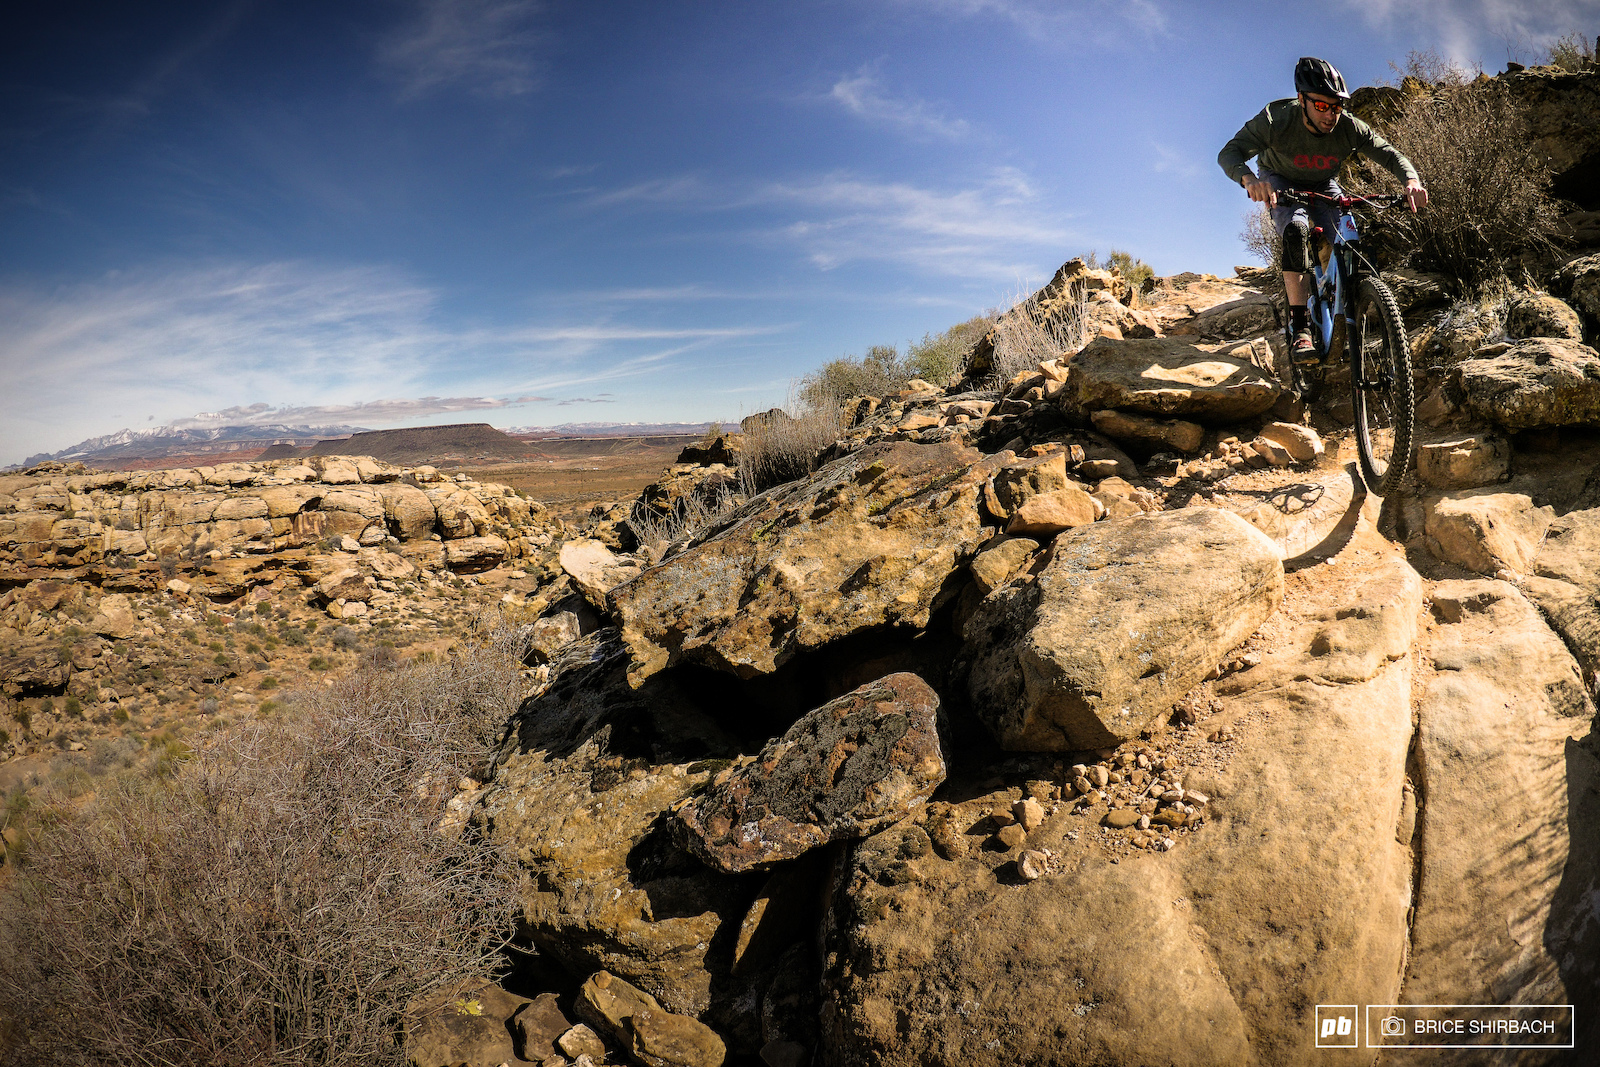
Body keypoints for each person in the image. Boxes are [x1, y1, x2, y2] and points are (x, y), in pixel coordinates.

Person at [1218, 57, 1428, 360]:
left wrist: (1411, 180)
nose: (1330, 114)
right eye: (1321, 106)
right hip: (1280, 180)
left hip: (1322, 183)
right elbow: (1230, 152)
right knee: (1296, 230)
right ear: (1301, 99)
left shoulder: (1348, 128)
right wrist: (1249, 179)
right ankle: (1300, 326)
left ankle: (1350, 307)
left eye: (1336, 107)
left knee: (1349, 238)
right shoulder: (1276, 119)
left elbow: (1388, 153)